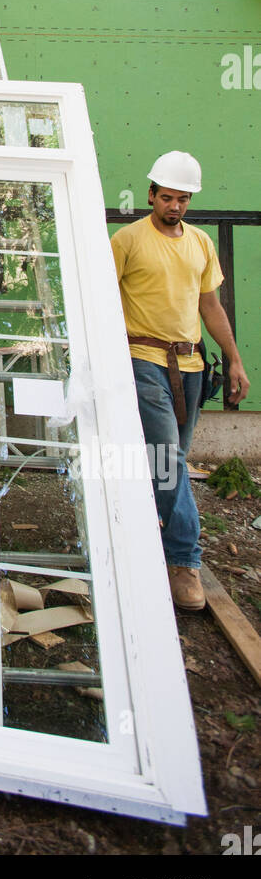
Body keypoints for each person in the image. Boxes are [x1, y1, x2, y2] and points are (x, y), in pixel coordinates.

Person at [110, 151, 250, 611]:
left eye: (182, 199)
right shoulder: (127, 241)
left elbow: (210, 305)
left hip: (191, 364)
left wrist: (233, 359)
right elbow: (105, 302)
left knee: (172, 459)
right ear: (151, 194)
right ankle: (185, 561)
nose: (174, 206)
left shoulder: (200, 244)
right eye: (166, 197)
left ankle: (145, 536)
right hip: (143, 356)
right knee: (168, 456)